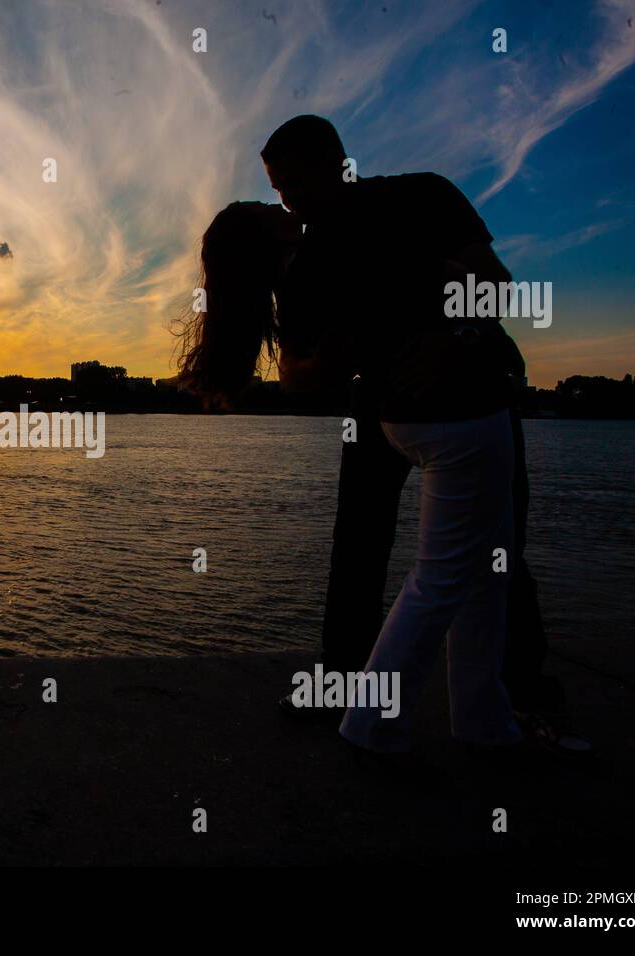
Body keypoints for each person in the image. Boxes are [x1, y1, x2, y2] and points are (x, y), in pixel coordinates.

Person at [259, 115, 589, 753]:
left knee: (500, 552)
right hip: (378, 401)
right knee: (357, 543)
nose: (288, 200)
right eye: (277, 188)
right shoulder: (302, 263)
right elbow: (294, 376)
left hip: (469, 394)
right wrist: (340, 355)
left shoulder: (422, 196)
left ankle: (524, 697)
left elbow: (493, 285)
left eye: (295, 182)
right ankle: (345, 686)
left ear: (339, 163)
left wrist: (452, 339)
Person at [177, 197, 521, 754]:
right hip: (461, 415)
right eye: (266, 206)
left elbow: (316, 367)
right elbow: (481, 287)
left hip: (408, 418)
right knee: (443, 579)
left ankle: (482, 719)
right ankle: (372, 724)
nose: (278, 204)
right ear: (270, 237)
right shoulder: (332, 256)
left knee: (483, 573)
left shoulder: (294, 293)